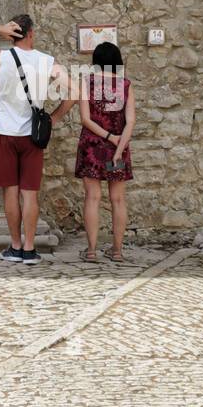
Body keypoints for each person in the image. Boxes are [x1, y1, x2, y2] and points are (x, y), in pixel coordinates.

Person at [0, 16, 76, 263]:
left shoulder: (1, 57)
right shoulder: (47, 62)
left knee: (10, 193)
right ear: (31, 34)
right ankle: (29, 249)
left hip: (4, 132)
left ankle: (15, 246)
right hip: (32, 136)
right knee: (30, 194)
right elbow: (75, 91)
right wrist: (54, 118)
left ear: (11, 34)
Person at [75, 41, 135, 262]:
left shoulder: (86, 83)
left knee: (93, 197)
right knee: (117, 199)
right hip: (118, 148)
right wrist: (118, 147)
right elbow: (131, 121)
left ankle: (91, 251)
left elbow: (85, 119)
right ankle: (117, 251)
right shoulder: (125, 85)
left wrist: (106, 137)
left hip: (92, 147)